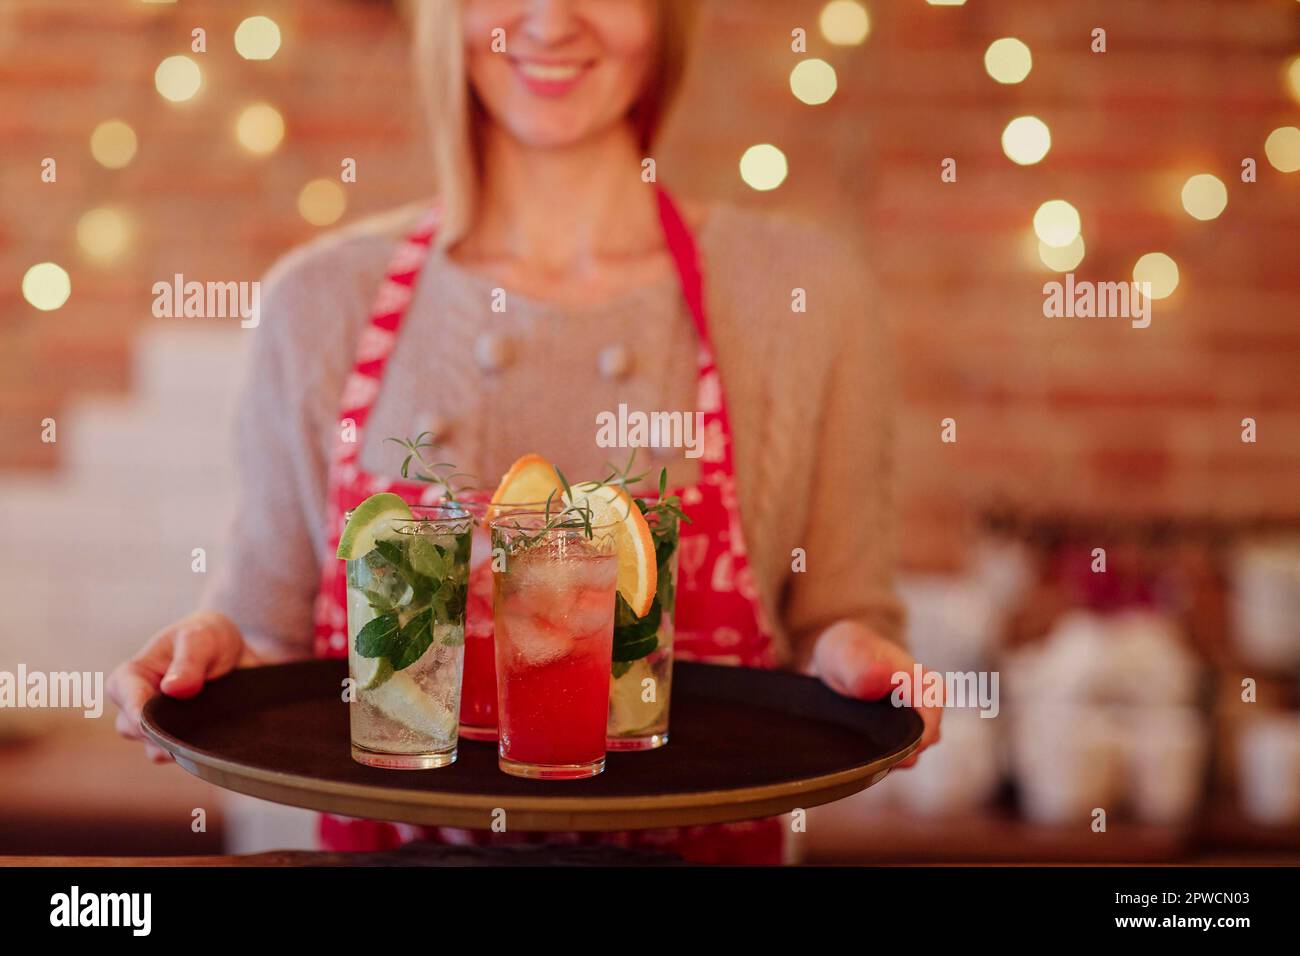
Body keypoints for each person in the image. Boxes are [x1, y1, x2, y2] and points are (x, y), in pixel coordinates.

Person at [108, 0, 941, 865]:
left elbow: (837, 618)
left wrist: (865, 666)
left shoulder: (804, 298)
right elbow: (268, 637)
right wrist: (213, 654)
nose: (550, 22)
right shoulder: (318, 301)